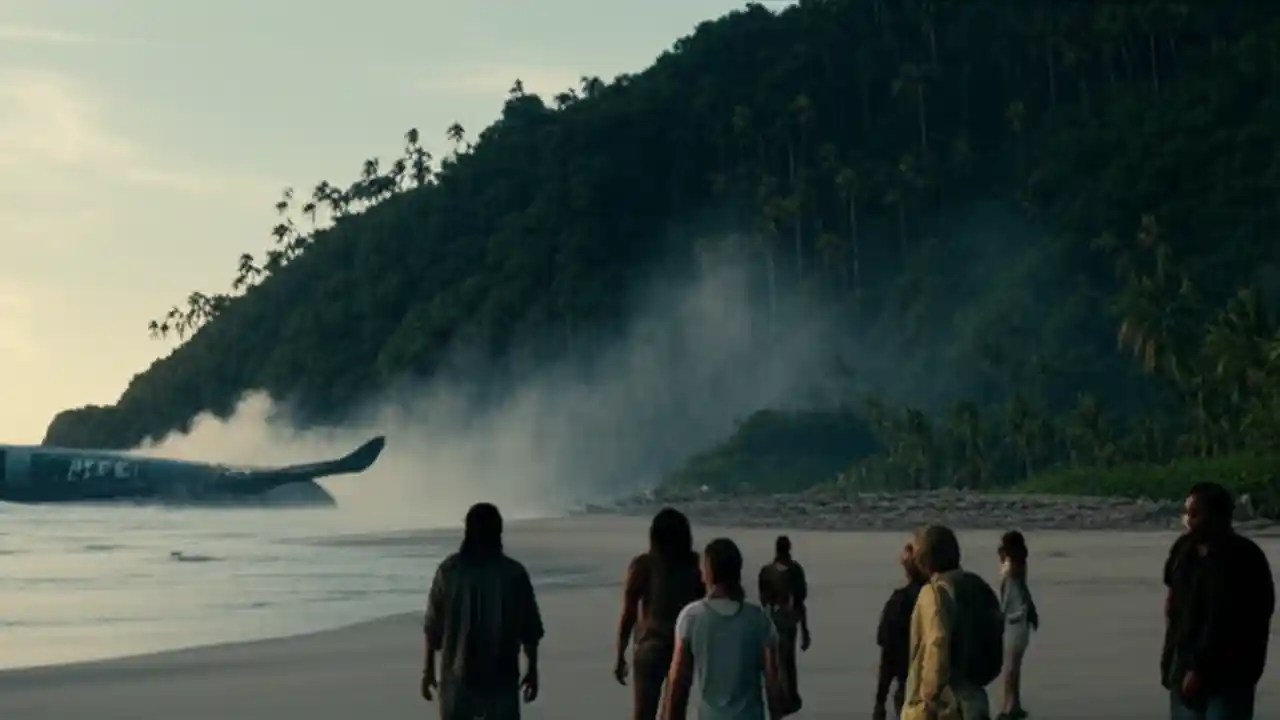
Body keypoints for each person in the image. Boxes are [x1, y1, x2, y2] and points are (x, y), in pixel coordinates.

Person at [421, 503, 544, 720]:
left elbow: (433, 627)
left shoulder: (449, 571)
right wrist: (532, 669)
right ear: (498, 532)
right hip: (501, 679)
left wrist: (428, 670)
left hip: (457, 680)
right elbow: (530, 630)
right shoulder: (513, 574)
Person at [1163, 482, 1274, 720]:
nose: (1187, 520)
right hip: (1183, 670)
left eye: (1195, 514)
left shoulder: (1243, 557)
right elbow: (1173, 604)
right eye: (1187, 513)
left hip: (1229, 677)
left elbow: (1232, 622)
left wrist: (1199, 668)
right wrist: (1171, 661)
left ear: (1216, 517)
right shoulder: (1184, 551)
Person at [662, 537, 788, 720]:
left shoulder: (691, 617)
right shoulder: (758, 620)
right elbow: (773, 683)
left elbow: (678, 682)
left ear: (708, 573)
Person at [902, 524, 1003, 720]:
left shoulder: (933, 593)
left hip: (945, 705)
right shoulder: (978, 586)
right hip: (975, 695)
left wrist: (929, 696)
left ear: (923, 560)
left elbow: (937, 642)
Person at [615, 507, 706, 720]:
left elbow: (628, 613)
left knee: (642, 715)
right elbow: (704, 610)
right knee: (675, 714)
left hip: (651, 644)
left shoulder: (643, 565)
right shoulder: (694, 567)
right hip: (682, 648)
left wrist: (620, 654)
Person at [874, 542, 928, 720]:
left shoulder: (900, 601)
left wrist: (880, 701)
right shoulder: (946, 598)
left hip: (910, 688)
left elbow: (887, 653)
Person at [757, 535, 810, 713]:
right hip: (787, 621)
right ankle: (787, 698)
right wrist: (805, 630)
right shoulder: (795, 571)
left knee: (777, 661)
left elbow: (764, 602)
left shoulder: (767, 572)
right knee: (787, 661)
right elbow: (800, 603)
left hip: (774, 621)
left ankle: (780, 698)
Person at [997, 531, 1039, 720]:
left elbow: (1011, 595)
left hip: (1015, 620)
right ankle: (1013, 704)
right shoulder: (1018, 564)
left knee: (1011, 667)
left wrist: (1000, 615)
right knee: (1013, 666)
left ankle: (1010, 705)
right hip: (1018, 620)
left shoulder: (1012, 567)